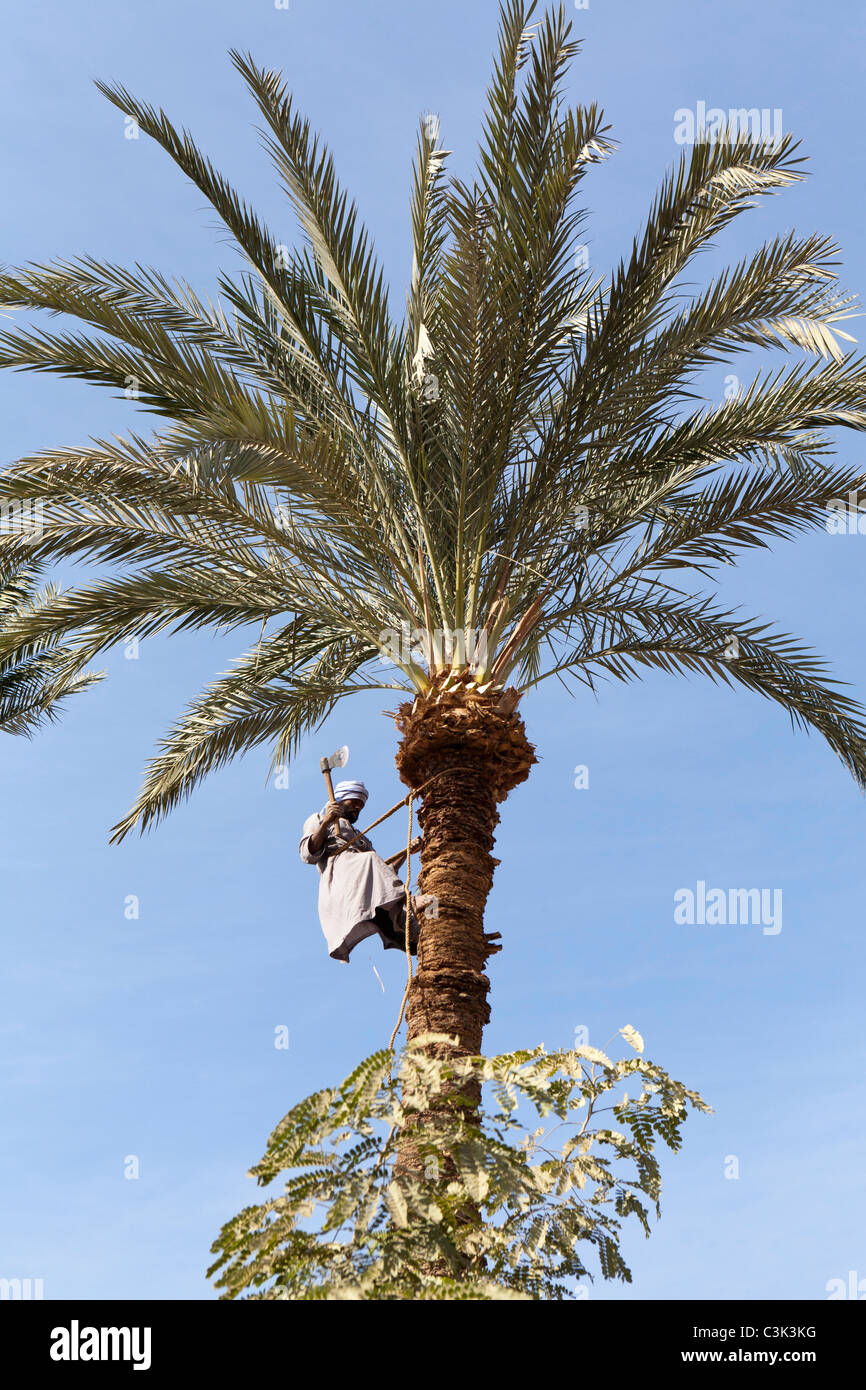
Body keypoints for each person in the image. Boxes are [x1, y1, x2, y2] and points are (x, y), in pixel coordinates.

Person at [299, 779, 433, 963]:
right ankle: (409, 900)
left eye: (360, 806)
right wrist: (327, 822)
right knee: (369, 859)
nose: (357, 808)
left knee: (407, 916)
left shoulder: (361, 839)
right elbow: (308, 854)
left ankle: (425, 941)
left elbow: (382, 871)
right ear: (340, 799)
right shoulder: (319, 819)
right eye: (353, 802)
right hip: (340, 876)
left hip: (360, 881)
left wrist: (407, 851)